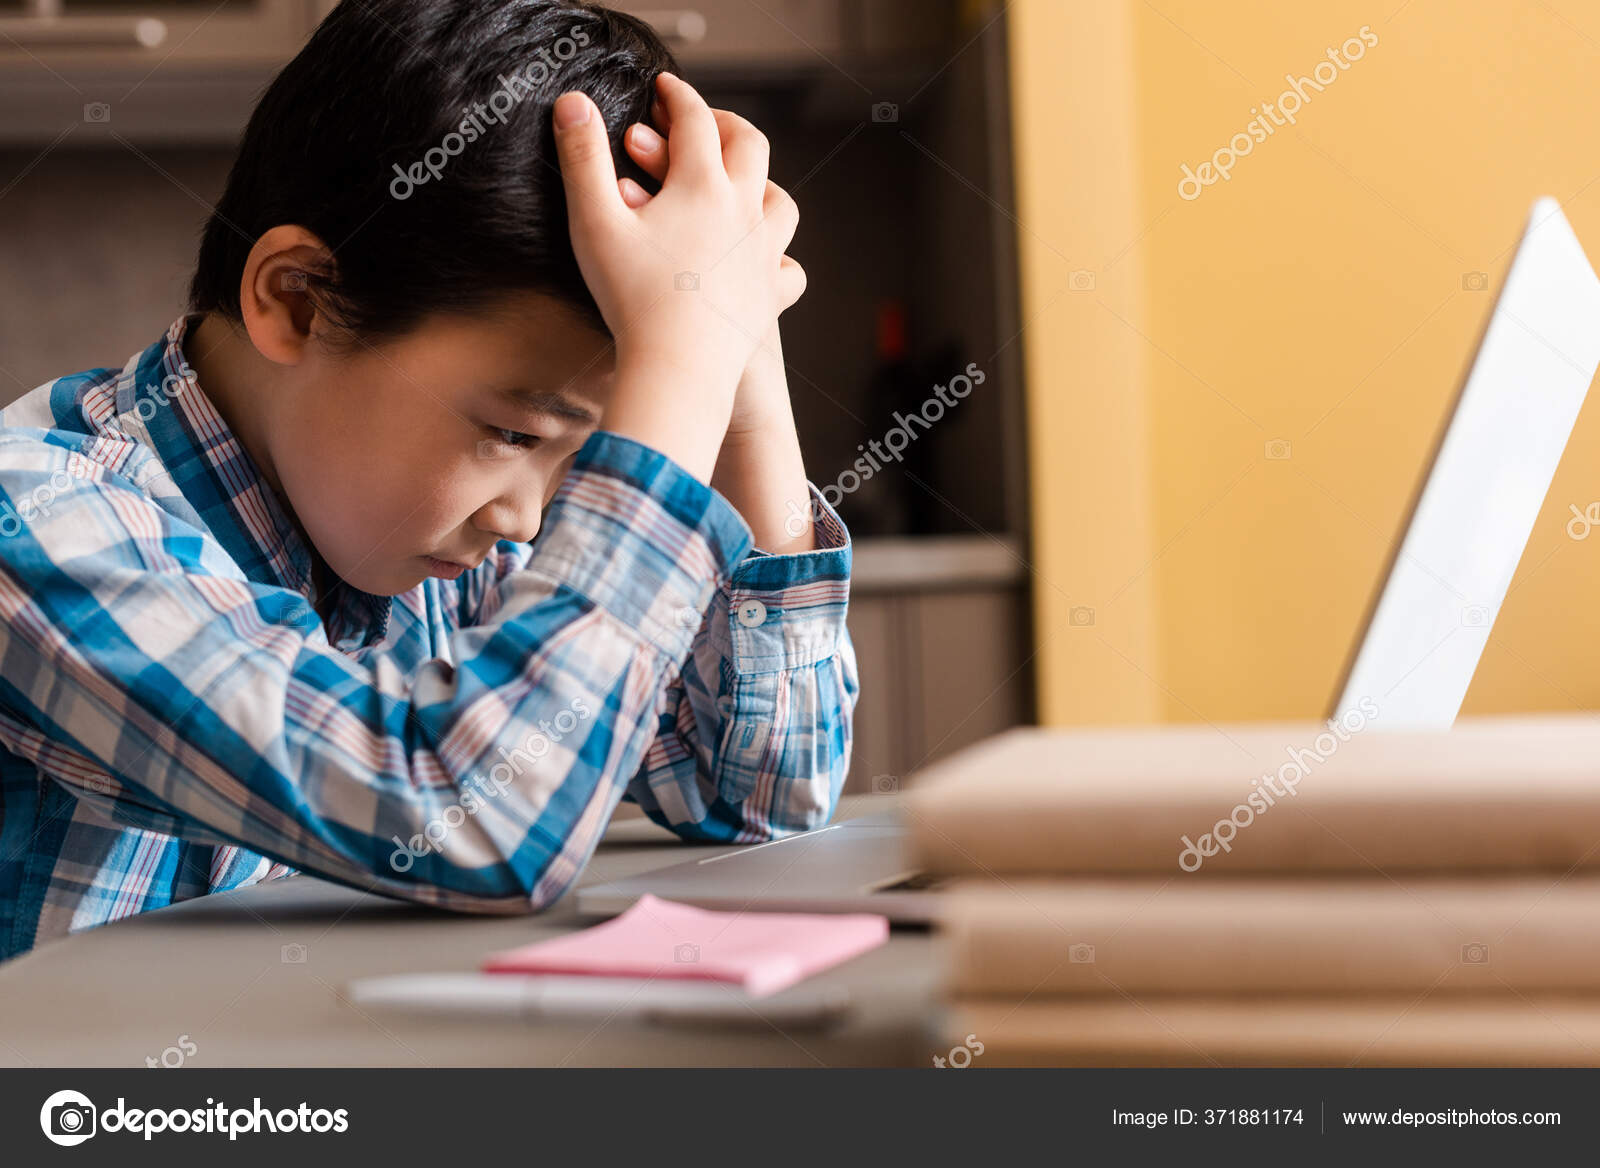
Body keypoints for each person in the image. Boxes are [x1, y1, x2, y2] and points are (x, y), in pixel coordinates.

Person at [0, 0, 856, 962]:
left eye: (584, 449)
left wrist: (738, 360)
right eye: (510, 431)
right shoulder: (36, 523)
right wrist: (680, 365)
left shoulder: (427, 543)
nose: (529, 519)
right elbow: (465, 823)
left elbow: (756, 795)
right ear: (299, 300)